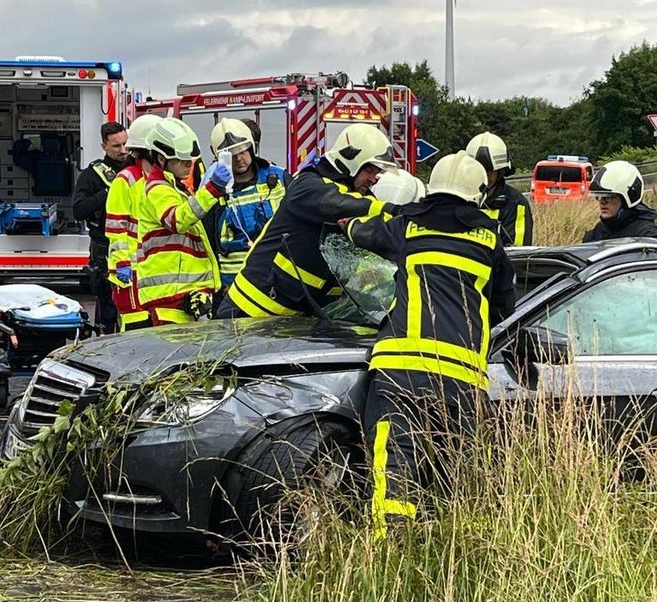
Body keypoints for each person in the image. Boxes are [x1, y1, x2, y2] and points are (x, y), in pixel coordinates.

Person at [343, 151, 516, 539]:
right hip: (461, 380)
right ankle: (451, 557)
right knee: (458, 475)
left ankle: (392, 555)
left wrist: (347, 220)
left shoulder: (405, 227)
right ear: (478, 195)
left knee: (395, 468)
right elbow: (505, 306)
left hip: (401, 371)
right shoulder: (491, 242)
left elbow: (358, 232)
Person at [214, 123, 396, 319]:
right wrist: (394, 210)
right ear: (350, 160)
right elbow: (335, 204)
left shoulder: (356, 197)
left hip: (297, 315)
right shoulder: (309, 185)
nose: (374, 178)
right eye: (369, 170)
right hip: (250, 309)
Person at [131, 117, 229, 326]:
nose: (188, 165)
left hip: (179, 295)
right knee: (176, 356)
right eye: (181, 160)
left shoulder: (173, 187)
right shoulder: (158, 189)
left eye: (190, 160)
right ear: (160, 159)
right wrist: (212, 189)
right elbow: (177, 219)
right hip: (170, 296)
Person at [207, 118, 288, 295]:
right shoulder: (213, 193)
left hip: (279, 283)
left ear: (251, 147)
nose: (238, 158)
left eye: (242, 151)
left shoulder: (280, 179)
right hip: (234, 290)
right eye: (230, 154)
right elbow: (209, 248)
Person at [104, 114, 161, 333]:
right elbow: (116, 228)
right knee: (136, 330)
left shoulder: (159, 178)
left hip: (152, 268)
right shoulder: (126, 179)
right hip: (130, 272)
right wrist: (122, 264)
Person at [72, 122, 129, 333]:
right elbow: (78, 210)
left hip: (132, 247)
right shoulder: (93, 175)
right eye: (116, 146)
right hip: (103, 248)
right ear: (104, 146)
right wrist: (106, 194)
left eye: (125, 144)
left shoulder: (137, 169)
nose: (123, 150)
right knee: (107, 307)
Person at [465, 131, 533, 247]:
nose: (483, 176)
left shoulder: (515, 203)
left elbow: (518, 253)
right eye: (478, 170)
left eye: (488, 171)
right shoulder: (456, 198)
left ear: (500, 172)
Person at [581, 160, 657, 242]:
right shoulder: (597, 232)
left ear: (628, 198)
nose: (602, 201)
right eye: (598, 196)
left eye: (609, 197)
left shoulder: (648, 235)